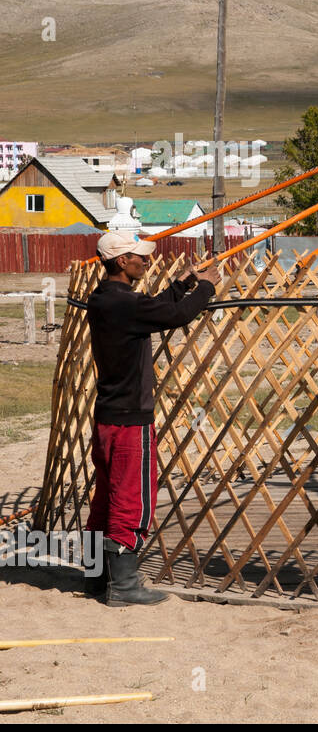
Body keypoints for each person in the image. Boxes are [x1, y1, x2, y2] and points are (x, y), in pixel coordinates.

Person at [86, 231, 220, 606]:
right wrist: (206, 288)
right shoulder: (125, 304)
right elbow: (175, 315)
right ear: (121, 262)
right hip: (131, 420)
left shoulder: (104, 299)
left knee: (106, 498)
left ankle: (97, 578)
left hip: (107, 416)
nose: (146, 262)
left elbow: (154, 309)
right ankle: (125, 587)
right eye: (139, 258)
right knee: (132, 499)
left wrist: (182, 282)